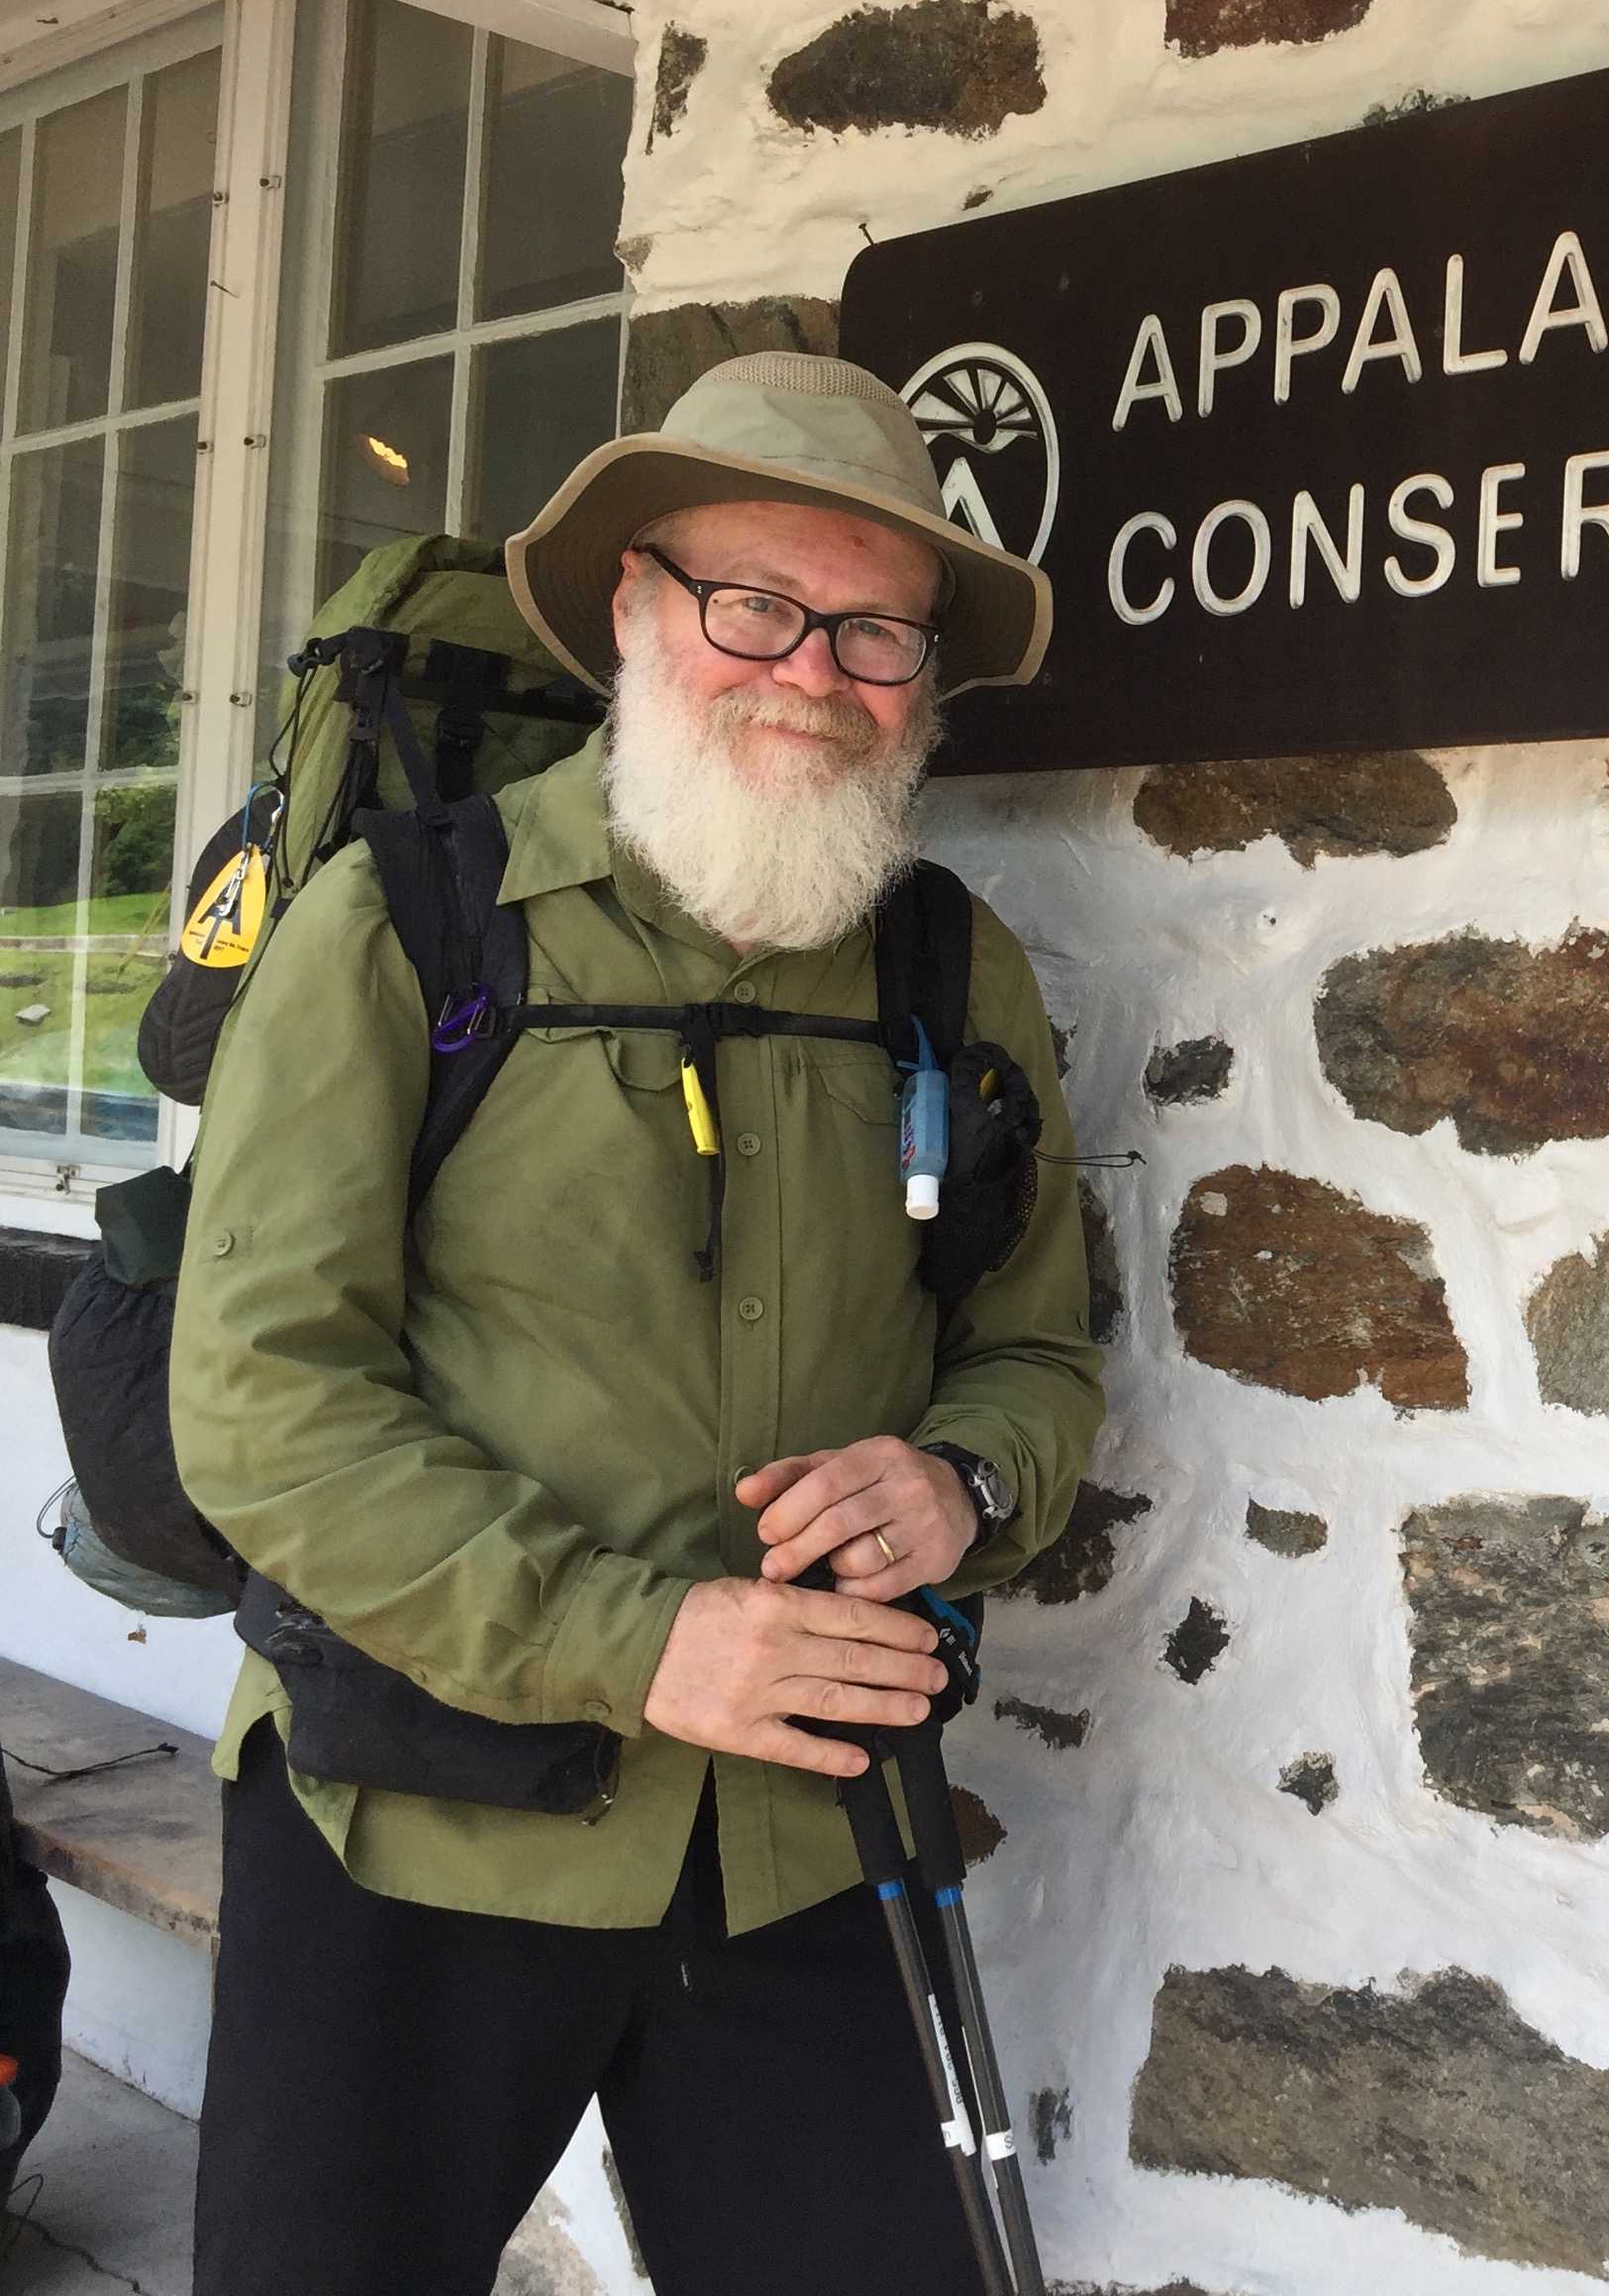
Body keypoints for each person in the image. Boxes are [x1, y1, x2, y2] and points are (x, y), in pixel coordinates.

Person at [168, 352, 1104, 2295]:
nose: (810, 673)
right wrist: (638, 1636)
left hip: (802, 1844)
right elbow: (260, 1402)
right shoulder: (404, 927)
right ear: (633, 607)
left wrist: (960, 1480)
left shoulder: (954, 967)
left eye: (874, 637)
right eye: (754, 605)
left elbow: (1040, 1354)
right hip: (411, 1832)